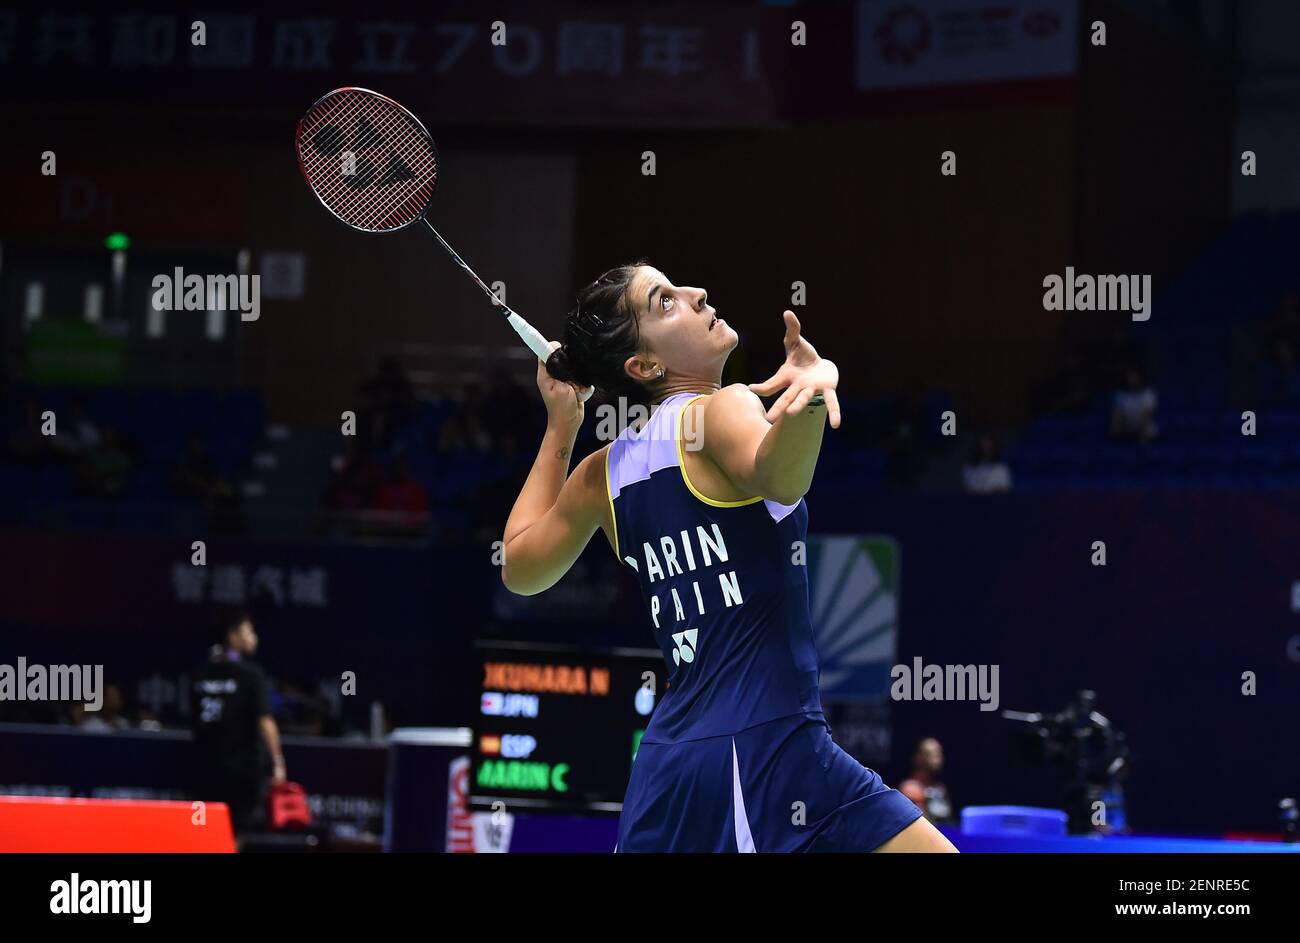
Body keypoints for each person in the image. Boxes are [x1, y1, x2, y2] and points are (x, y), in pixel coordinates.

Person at [501, 262, 955, 853]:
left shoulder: (602, 476)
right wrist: (810, 397)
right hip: (759, 753)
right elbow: (779, 475)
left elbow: (519, 567)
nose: (696, 293)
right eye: (665, 302)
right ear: (644, 367)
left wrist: (561, 426)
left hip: (683, 763)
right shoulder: (719, 409)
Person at [191, 610, 287, 838]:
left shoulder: (200, 674)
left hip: (205, 767)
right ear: (232, 637)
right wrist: (278, 762)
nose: (254, 638)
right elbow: (265, 721)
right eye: (249, 632)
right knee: (236, 834)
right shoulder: (251, 675)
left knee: (209, 833)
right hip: (242, 770)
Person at [899, 737, 956, 825]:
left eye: (939, 754)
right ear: (919, 758)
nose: (938, 760)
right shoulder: (910, 788)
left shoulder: (940, 787)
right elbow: (921, 824)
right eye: (932, 755)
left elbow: (948, 819)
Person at [1109, 366, 1159, 444]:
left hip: (1147, 435)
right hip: (1126, 432)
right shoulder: (1120, 396)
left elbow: (1146, 417)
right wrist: (1115, 438)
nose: (1132, 379)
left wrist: (1142, 439)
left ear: (1140, 377)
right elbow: (1117, 417)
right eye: (1130, 377)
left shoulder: (1148, 394)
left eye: (1134, 376)